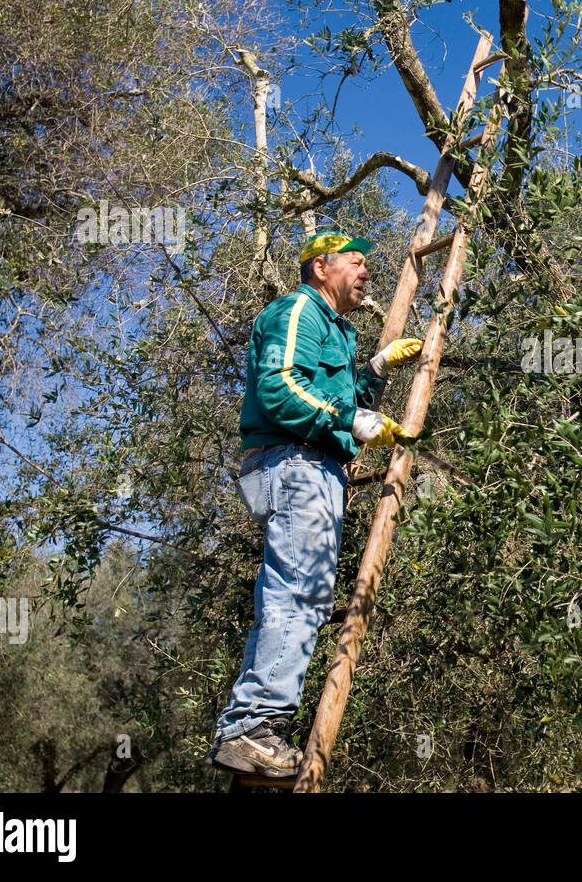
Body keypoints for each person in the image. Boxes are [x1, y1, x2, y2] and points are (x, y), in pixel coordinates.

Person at [205, 231, 423, 778]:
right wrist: (351, 420)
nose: (365, 270)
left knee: (301, 592)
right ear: (319, 267)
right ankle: (251, 727)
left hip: (313, 467)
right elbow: (280, 388)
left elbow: (332, 397)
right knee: (298, 592)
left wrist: (372, 373)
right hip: (296, 464)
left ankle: (254, 724)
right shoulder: (298, 309)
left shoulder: (335, 331)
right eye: (355, 261)